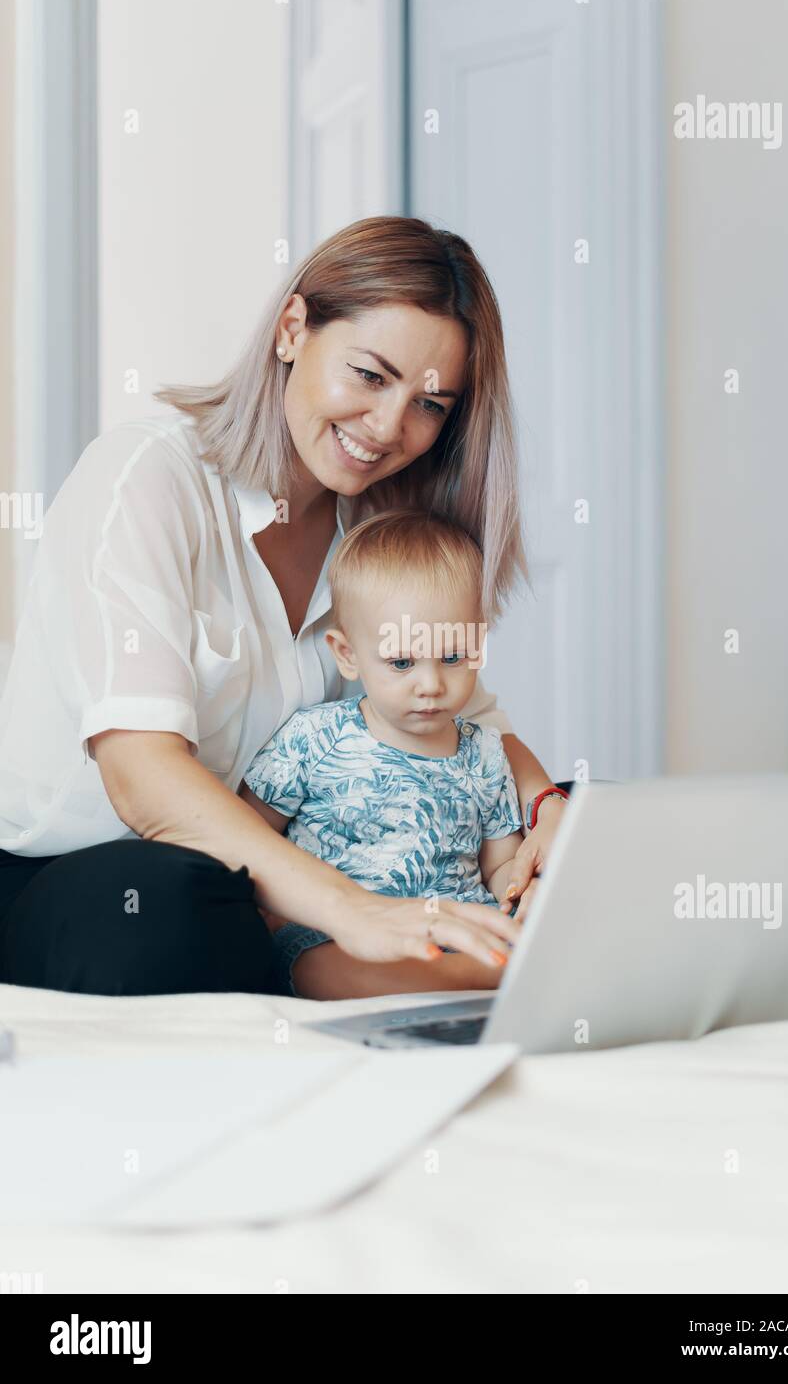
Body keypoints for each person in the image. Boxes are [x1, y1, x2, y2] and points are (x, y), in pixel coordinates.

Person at [0, 215, 569, 999]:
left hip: (272, 892)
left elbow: (473, 730)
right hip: (79, 875)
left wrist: (549, 812)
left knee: (554, 888)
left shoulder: (377, 530)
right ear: (293, 329)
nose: (390, 428)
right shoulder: (145, 479)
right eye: (370, 376)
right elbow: (143, 779)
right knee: (177, 905)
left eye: (431, 405)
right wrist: (355, 910)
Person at [240, 509, 527, 995]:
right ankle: (460, 985)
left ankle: (470, 978)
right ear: (347, 653)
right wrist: (268, 910)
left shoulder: (485, 753)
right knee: (325, 969)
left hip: (459, 924)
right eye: (401, 661)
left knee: (523, 946)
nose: (431, 684)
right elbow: (250, 832)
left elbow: (500, 863)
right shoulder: (313, 738)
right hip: (340, 934)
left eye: (452, 657)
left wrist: (517, 900)